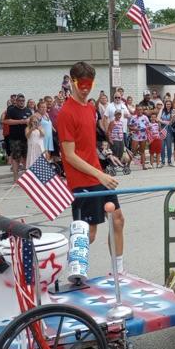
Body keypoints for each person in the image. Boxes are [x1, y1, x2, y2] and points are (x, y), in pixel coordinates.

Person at [57, 61, 126, 273]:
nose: (86, 89)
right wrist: (99, 175)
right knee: (88, 233)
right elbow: (69, 155)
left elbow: (89, 142)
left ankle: (118, 271)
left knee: (118, 220)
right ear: (72, 82)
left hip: (97, 173)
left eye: (90, 84)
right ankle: (59, 268)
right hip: (82, 180)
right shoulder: (66, 113)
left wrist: (107, 154)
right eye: (82, 84)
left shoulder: (90, 108)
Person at [3, 94, 30, 182]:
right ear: (16, 101)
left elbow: (31, 121)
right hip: (15, 138)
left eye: (23, 101)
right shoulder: (11, 110)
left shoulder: (28, 110)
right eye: (20, 101)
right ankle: (15, 177)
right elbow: (6, 121)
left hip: (26, 138)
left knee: (26, 157)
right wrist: (20, 121)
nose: (21, 102)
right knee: (16, 158)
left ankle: (26, 177)